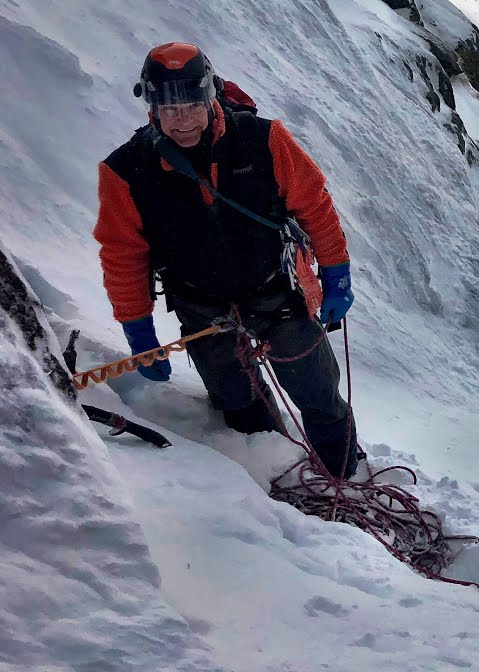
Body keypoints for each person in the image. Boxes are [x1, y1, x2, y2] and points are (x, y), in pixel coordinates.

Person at [94, 42, 360, 479]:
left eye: (192, 104)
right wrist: (137, 327)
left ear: (212, 95)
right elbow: (123, 255)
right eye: (169, 107)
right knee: (238, 401)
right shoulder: (126, 172)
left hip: (278, 294)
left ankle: (345, 477)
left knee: (318, 395)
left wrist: (337, 273)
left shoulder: (264, 140)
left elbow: (314, 206)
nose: (183, 119)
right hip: (201, 307)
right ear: (152, 107)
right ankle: (279, 480)